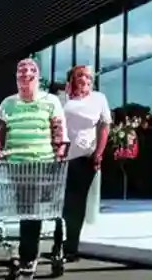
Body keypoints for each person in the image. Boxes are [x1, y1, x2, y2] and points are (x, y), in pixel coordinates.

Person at [0, 59, 67, 278]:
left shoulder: (50, 101)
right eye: (21, 74)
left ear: (37, 78)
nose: (26, 77)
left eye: (31, 74)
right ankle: (21, 255)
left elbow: (59, 127)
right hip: (14, 165)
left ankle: (27, 258)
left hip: (42, 164)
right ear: (16, 79)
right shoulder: (8, 103)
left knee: (31, 213)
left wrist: (60, 150)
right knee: (17, 212)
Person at [57, 65, 111, 262]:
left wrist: (99, 153)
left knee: (75, 203)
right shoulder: (62, 99)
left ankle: (70, 247)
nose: (84, 79)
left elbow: (104, 126)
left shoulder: (99, 99)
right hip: (60, 158)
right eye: (79, 75)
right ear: (71, 78)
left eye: (88, 76)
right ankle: (58, 244)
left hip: (84, 158)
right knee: (59, 204)